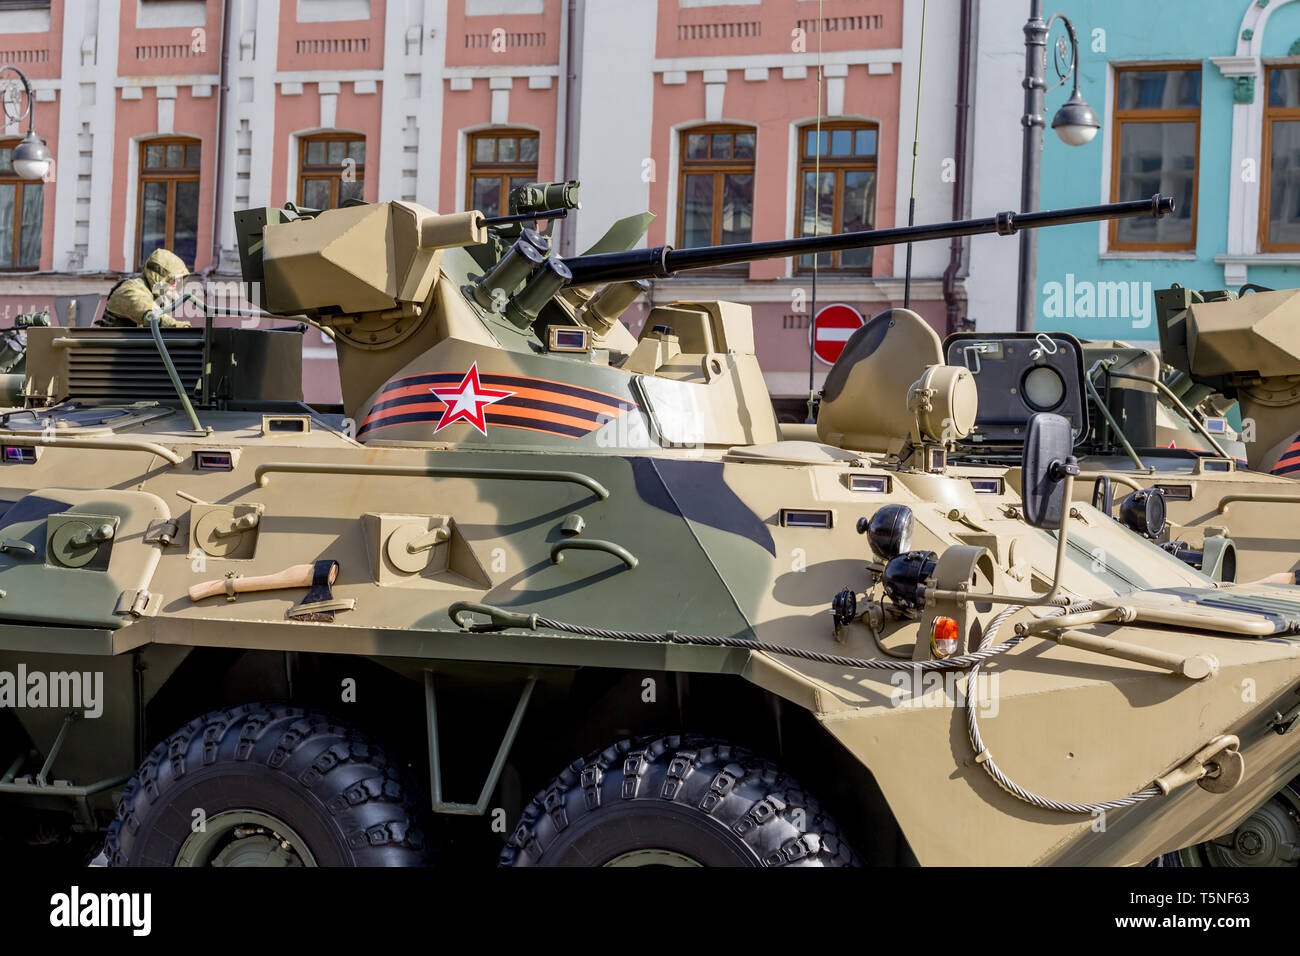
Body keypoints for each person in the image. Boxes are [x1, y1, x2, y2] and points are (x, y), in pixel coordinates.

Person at [96, 248, 193, 328]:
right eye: (173, 280)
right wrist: (178, 326)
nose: (175, 285)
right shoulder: (131, 290)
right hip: (115, 349)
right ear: (159, 276)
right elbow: (152, 317)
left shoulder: (152, 294)